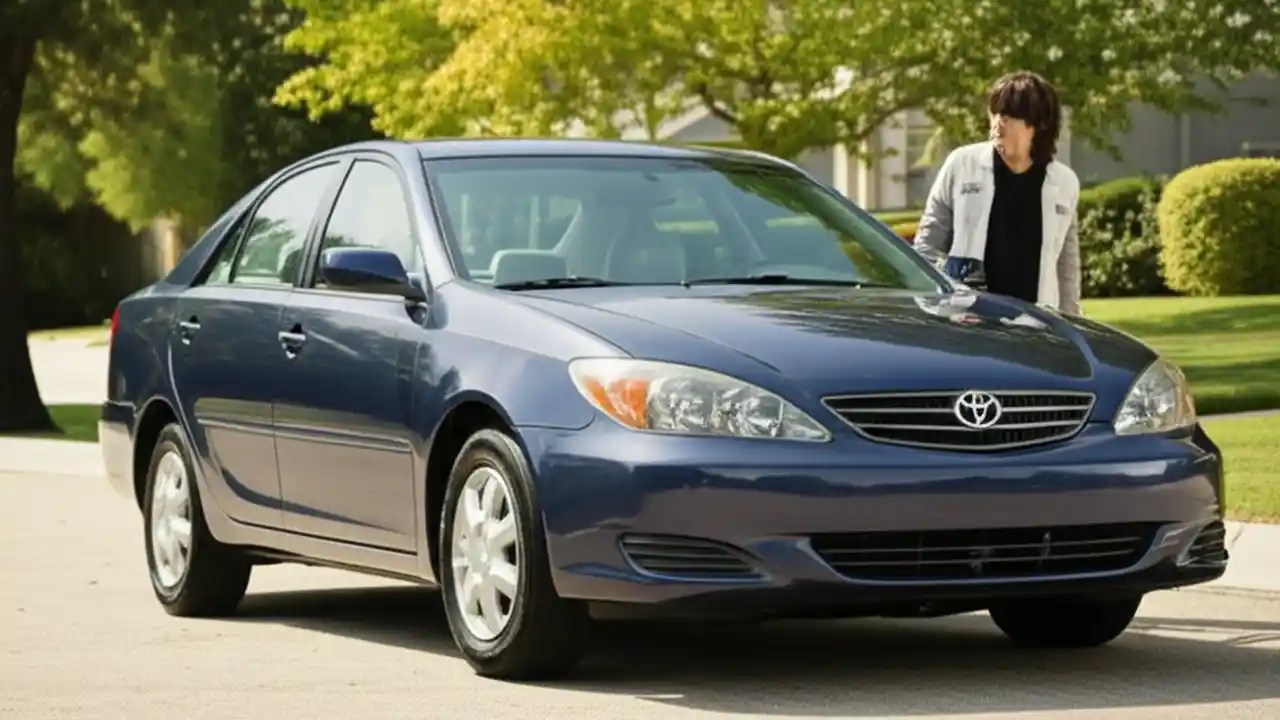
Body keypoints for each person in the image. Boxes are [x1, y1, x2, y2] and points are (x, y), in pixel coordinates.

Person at [914, 70, 1082, 315]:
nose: (997, 124)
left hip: (1036, 325)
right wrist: (957, 277)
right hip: (969, 321)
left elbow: (1067, 270)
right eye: (994, 113)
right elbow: (926, 248)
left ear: (1036, 125)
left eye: (1008, 116)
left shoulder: (1064, 183)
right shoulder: (961, 165)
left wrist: (1072, 324)